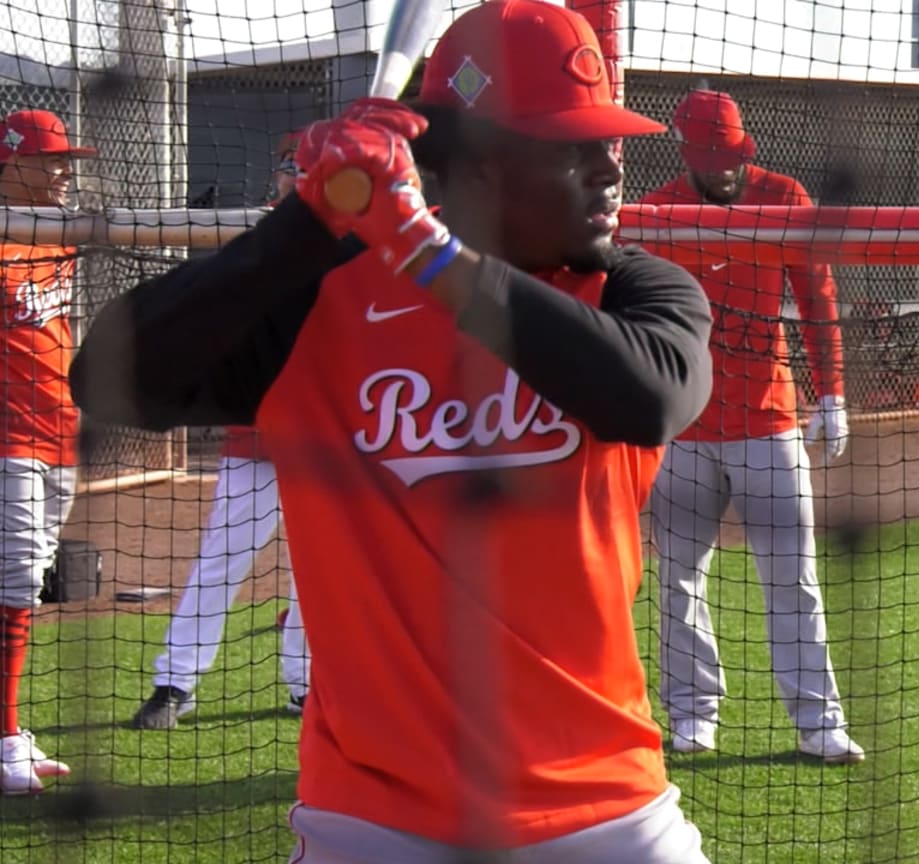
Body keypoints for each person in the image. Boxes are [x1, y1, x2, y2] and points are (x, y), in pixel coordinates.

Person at [69, 1, 715, 860]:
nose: (610, 168)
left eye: (610, 142)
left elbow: (651, 395)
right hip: (371, 822)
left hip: (603, 807)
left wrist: (425, 248)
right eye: (570, 147)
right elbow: (111, 379)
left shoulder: (638, 291)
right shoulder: (325, 298)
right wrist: (306, 220)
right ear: (474, 165)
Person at [639, 89, 862, 764]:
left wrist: (833, 394)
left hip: (769, 418)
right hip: (684, 423)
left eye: (731, 157)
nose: (725, 170)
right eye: (712, 159)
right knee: (676, 577)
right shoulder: (657, 209)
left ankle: (819, 722)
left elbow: (816, 295)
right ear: (690, 154)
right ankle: (693, 713)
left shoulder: (784, 195)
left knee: (792, 575)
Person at [130, 139, 312, 730]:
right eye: (289, 172)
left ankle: (307, 687)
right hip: (255, 441)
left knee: (320, 571)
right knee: (221, 562)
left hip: (327, 443)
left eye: (306, 173)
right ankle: (174, 684)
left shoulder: (354, 248)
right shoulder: (254, 245)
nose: (294, 181)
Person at [0, 109, 95, 795]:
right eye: (52, 159)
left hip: (60, 435)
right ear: (11, 162)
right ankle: (4, 738)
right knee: (14, 585)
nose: (66, 171)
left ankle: (7, 731)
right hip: (9, 440)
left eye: (68, 159)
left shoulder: (61, 235)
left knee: (21, 586)